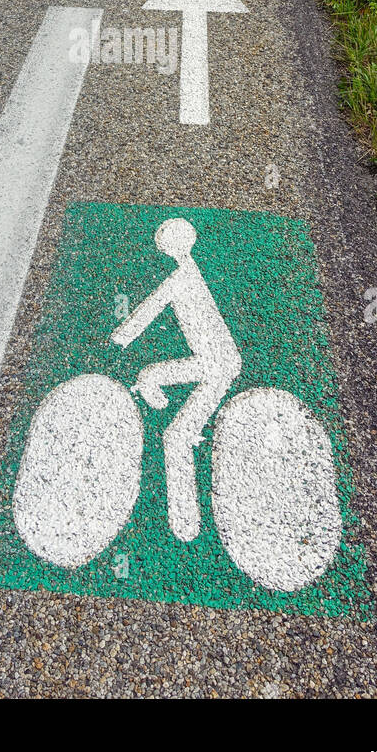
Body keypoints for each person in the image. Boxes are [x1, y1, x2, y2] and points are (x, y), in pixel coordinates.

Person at [111, 218, 242, 541]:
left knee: (153, 382)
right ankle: (187, 520)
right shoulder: (191, 272)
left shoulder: (182, 277)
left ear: (167, 247)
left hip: (215, 363)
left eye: (164, 242)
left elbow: (149, 308)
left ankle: (186, 522)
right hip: (218, 362)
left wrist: (119, 338)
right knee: (177, 434)